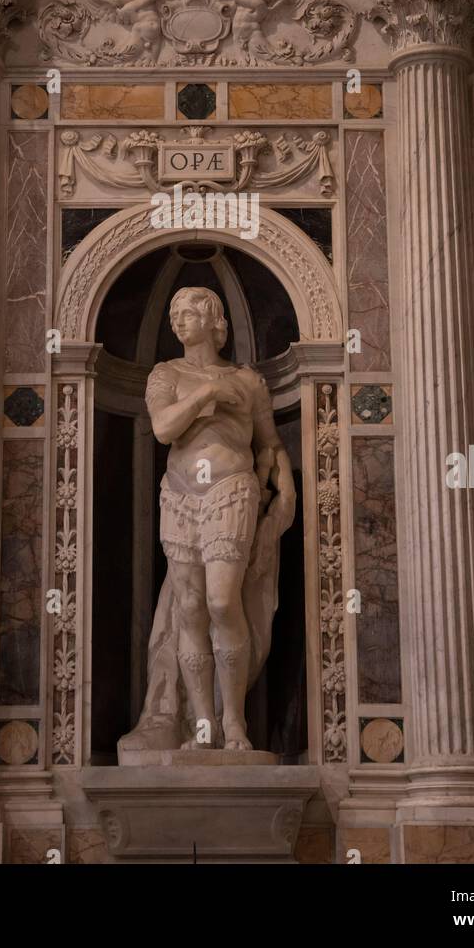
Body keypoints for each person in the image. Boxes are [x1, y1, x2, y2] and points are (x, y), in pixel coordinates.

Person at [119, 286, 295, 753]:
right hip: (179, 496)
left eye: (188, 313)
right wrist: (207, 394)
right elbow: (163, 429)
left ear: (214, 320)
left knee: (221, 601)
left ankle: (234, 721)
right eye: (174, 312)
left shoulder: (249, 380)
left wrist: (287, 487)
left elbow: (269, 442)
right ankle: (204, 727)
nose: (178, 321)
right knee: (190, 609)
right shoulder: (165, 374)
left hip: (230, 490)